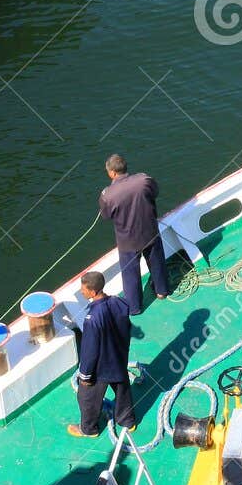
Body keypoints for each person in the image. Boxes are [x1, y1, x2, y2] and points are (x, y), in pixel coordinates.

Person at [98, 153, 169, 314]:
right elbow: (155, 192)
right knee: (157, 262)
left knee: (130, 274)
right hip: (150, 232)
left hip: (127, 241)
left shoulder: (107, 194)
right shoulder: (144, 180)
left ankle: (135, 307)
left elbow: (106, 215)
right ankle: (162, 291)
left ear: (112, 173)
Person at [68, 271, 136, 438]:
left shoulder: (92, 319)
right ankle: (128, 421)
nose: (81, 292)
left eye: (83, 289)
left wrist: (85, 376)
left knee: (86, 398)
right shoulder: (118, 303)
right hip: (119, 358)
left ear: (93, 292)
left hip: (102, 367)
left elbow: (90, 351)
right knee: (122, 390)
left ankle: (88, 429)